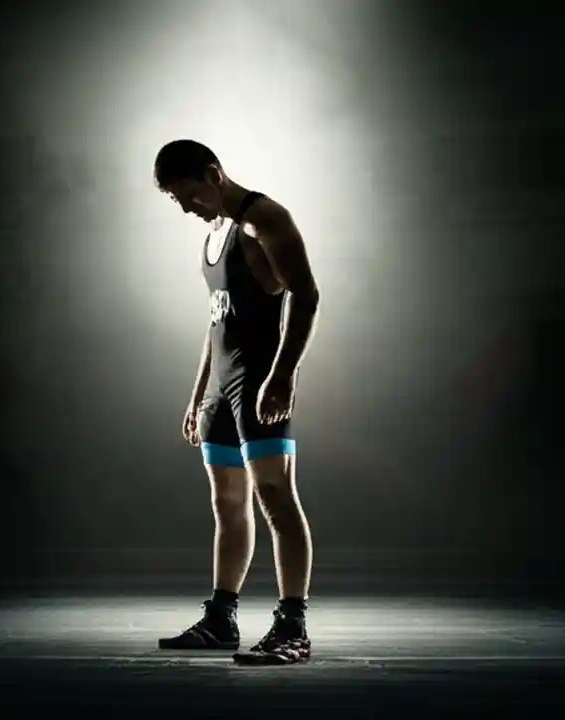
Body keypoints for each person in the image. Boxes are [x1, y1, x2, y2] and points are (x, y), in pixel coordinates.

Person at [153, 139, 321, 665]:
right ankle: (221, 618)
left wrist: (283, 375)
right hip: (220, 389)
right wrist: (198, 391)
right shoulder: (216, 231)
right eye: (177, 201)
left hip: (259, 380)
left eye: (189, 195)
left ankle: (292, 624)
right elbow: (216, 320)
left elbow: (307, 294)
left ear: (214, 173)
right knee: (227, 503)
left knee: (274, 496)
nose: (186, 207)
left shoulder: (265, 221)